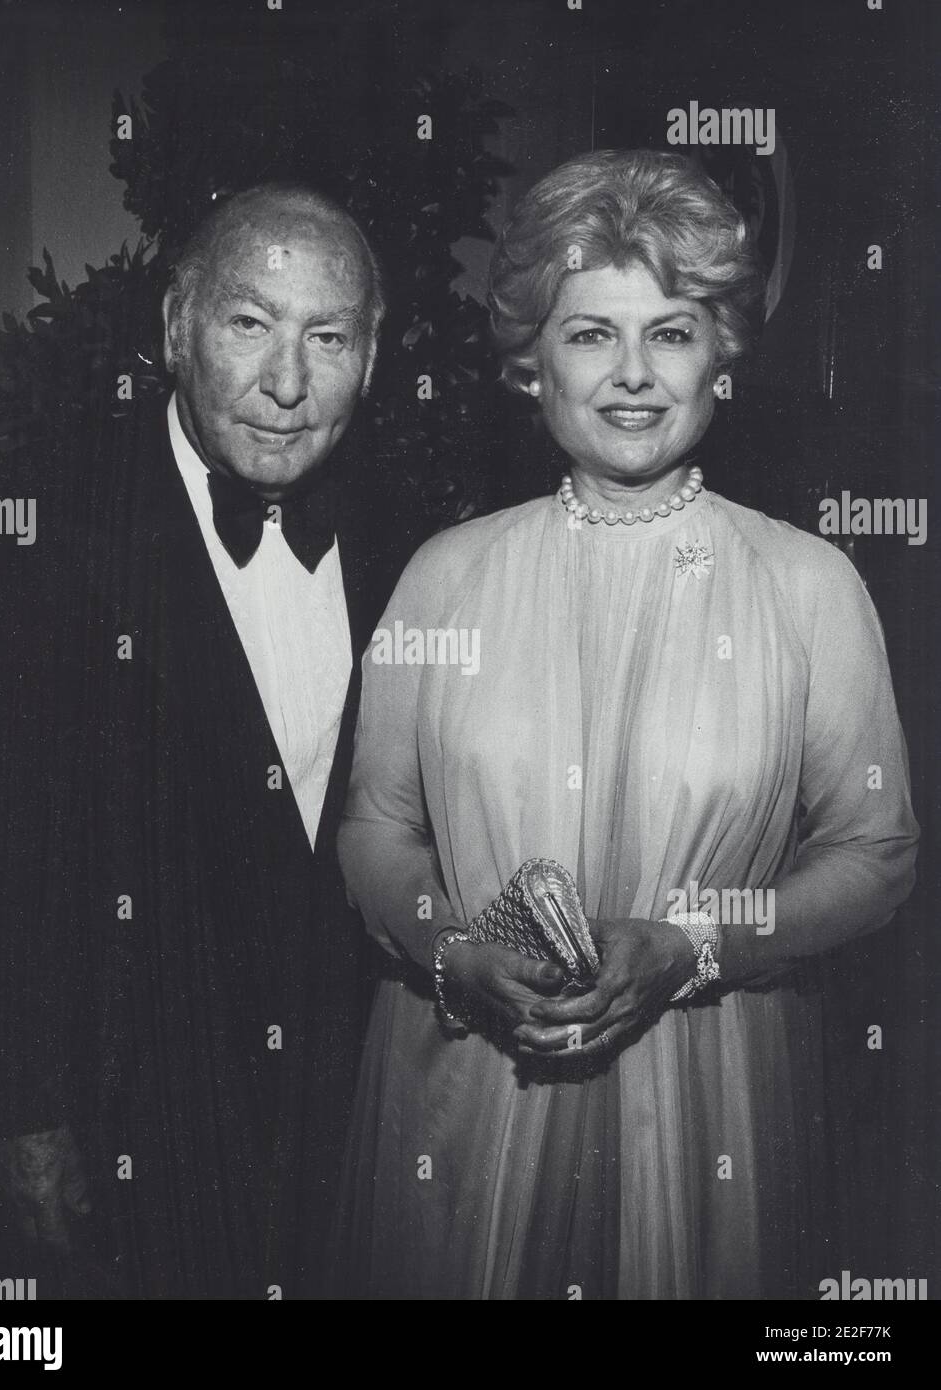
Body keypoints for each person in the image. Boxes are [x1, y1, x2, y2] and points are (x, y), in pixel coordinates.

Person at [332, 150, 919, 1299]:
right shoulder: (441, 576)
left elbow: (877, 856)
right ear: (528, 365)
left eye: (674, 330)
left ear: (725, 359)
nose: (633, 375)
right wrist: (452, 950)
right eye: (591, 334)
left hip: (709, 1096)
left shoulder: (809, 585)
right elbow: (373, 826)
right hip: (461, 1095)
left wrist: (691, 944)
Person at [0, 183, 420, 1298]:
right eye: (248, 324)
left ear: (374, 354)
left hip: (346, 1110)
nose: (288, 385)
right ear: (173, 328)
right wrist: (20, 1115)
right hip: (127, 1105)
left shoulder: (406, 531)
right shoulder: (40, 517)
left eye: (327, 336)